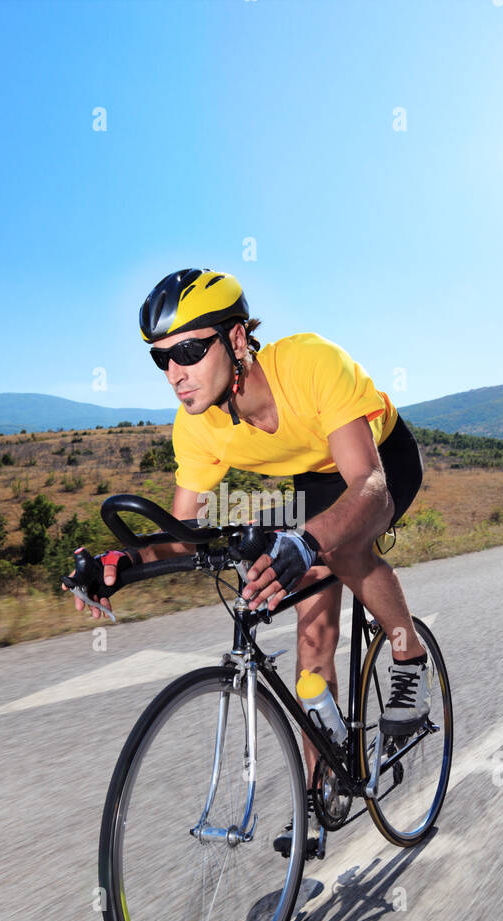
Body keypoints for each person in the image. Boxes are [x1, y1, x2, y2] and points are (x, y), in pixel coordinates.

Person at [64, 268, 427, 859]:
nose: (175, 373)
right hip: (314, 474)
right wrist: (121, 563)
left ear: (237, 341)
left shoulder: (310, 363)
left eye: (187, 350)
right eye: (161, 359)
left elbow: (370, 487)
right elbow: (181, 536)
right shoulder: (197, 426)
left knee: (336, 548)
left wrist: (305, 542)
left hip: (378, 456)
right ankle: (318, 795)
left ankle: (409, 655)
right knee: (312, 643)